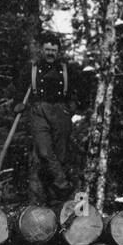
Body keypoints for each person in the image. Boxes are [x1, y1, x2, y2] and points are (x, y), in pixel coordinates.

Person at [21, 32, 88, 205]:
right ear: (42, 50)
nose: (50, 53)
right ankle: (62, 184)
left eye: (54, 50)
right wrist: (17, 103)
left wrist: (73, 107)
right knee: (44, 152)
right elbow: (19, 87)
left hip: (61, 112)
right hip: (39, 111)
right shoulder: (32, 68)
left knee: (61, 156)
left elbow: (82, 90)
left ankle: (55, 200)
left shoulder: (67, 69)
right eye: (47, 49)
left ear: (58, 51)